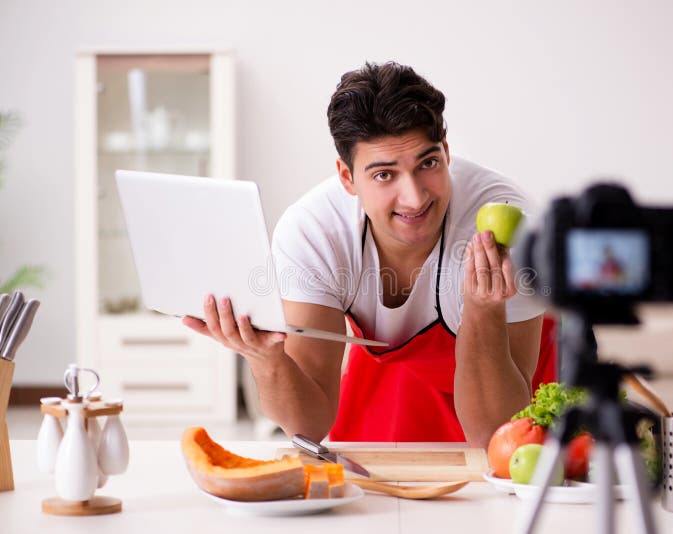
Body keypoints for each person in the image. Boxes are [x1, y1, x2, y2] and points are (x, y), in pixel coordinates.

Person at [183, 62, 545, 447]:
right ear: (346, 177)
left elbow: (497, 434)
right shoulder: (314, 231)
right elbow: (309, 424)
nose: (415, 197)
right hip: (397, 384)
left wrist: (483, 308)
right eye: (384, 174)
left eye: (428, 163)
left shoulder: (504, 224)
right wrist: (265, 359)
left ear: (447, 153)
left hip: (511, 381)